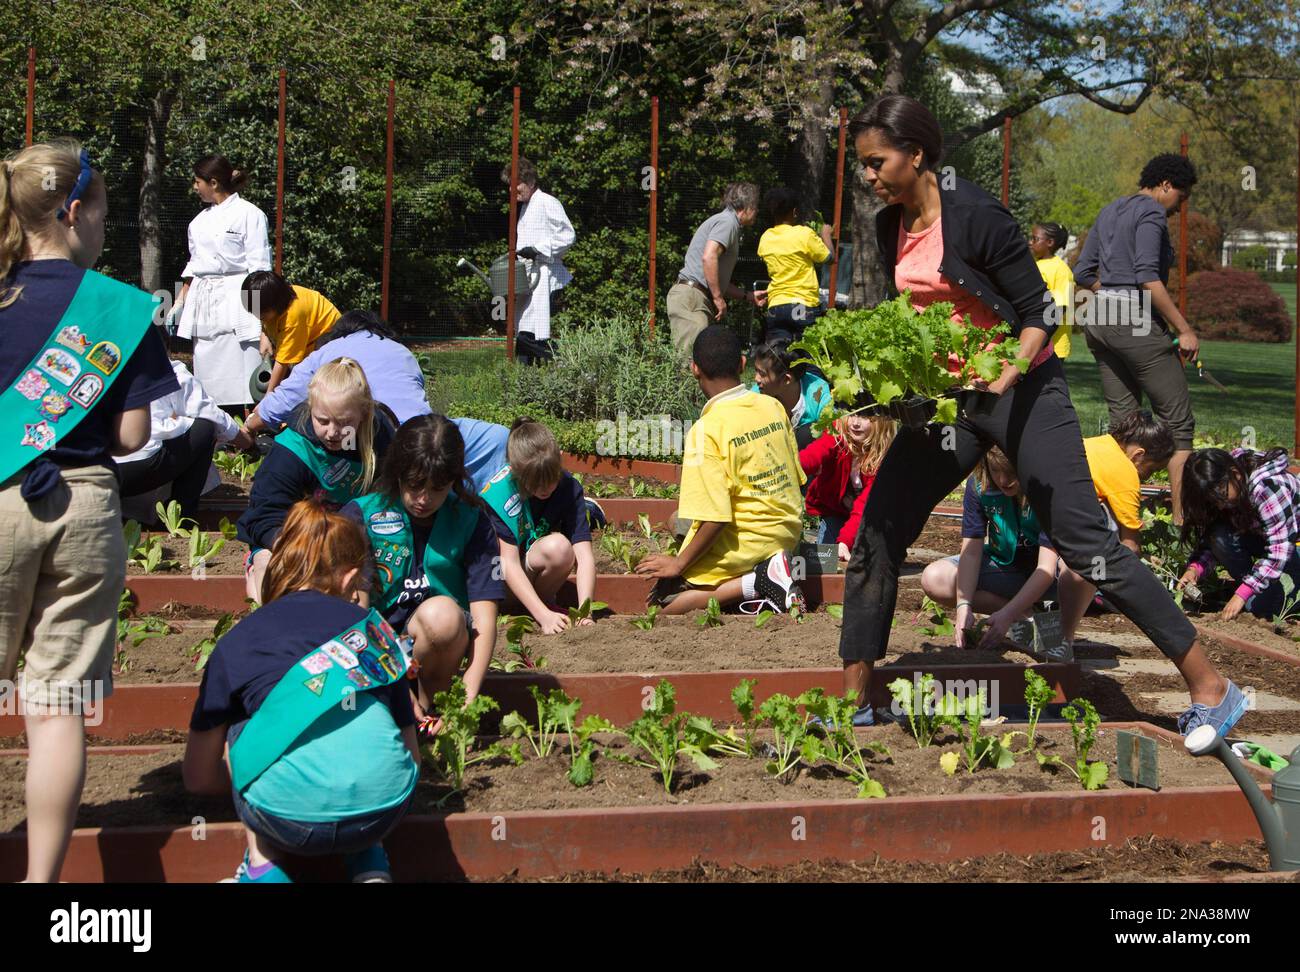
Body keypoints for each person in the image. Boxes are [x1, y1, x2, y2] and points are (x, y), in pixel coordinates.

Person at [837, 95, 1242, 736]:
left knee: (1088, 544)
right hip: (956, 404)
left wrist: (1007, 370)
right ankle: (853, 699)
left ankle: (1211, 686)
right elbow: (915, 318)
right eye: (862, 164)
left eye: (876, 162)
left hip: (1025, 393)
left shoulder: (978, 217)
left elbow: (1039, 312)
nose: (868, 175)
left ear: (915, 155)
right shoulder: (891, 224)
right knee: (880, 529)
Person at [0, 139, 179, 882]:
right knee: (58, 707)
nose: (105, 226)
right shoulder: (121, 309)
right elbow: (135, 437)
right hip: (87, 507)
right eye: (103, 211)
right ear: (75, 212)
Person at [184, 499, 419, 883]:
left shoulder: (238, 640)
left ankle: (264, 869)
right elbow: (412, 756)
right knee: (354, 715)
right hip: (383, 811)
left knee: (243, 725)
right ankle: (367, 861)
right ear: (349, 579)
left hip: (284, 818)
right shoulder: (375, 634)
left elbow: (197, 777)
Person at [343, 415, 503, 735]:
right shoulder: (360, 515)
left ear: (454, 481)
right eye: (414, 485)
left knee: (442, 616)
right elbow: (352, 615)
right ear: (397, 472)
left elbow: (485, 618)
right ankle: (397, 706)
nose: (423, 499)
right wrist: (396, 687)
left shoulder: (472, 520)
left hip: (438, 648)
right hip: (374, 652)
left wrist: (466, 702)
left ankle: (430, 710)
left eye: (437, 489)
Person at [634, 325, 807, 616]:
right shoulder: (773, 407)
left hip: (752, 547)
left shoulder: (706, 431)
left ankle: (758, 581)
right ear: (742, 364)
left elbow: (716, 519)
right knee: (679, 521)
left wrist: (678, 564)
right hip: (788, 535)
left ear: (694, 369)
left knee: (664, 604)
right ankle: (768, 573)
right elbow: (797, 478)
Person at [1074, 153, 1200, 522]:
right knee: (1178, 425)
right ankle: (1182, 523)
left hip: (1096, 318)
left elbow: (1083, 271)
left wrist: (1111, 295)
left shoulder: (1110, 209)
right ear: (1165, 185)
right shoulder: (1151, 213)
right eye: (1182, 195)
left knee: (1125, 425)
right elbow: (1148, 277)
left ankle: (1116, 516)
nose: (1179, 208)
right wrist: (1184, 329)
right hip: (1132, 321)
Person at [237, 358, 394, 602]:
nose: (332, 432)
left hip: (358, 536)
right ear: (310, 409)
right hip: (294, 537)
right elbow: (264, 515)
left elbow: (392, 491)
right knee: (277, 583)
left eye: (343, 423)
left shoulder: (379, 433)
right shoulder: (290, 450)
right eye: (322, 421)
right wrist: (304, 549)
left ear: (363, 414)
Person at [920, 447, 1061, 652]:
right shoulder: (979, 484)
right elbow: (971, 551)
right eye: (996, 470)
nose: (1004, 480)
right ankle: (1028, 618)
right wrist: (963, 606)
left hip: (1053, 578)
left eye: (1012, 472)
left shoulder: (1047, 487)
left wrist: (1008, 614)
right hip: (1006, 568)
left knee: (1076, 567)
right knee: (934, 577)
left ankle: (1062, 635)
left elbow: (1046, 569)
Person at [1057, 410, 1176, 650]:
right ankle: (1065, 636)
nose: (1146, 477)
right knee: (1107, 537)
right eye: (1150, 471)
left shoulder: (1098, 443)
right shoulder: (1125, 472)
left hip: (1048, 517)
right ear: (1139, 455)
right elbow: (1130, 545)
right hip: (1072, 534)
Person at [480, 419, 597, 635]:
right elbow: (507, 562)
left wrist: (585, 612)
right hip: (495, 575)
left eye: (550, 480)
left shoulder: (569, 488)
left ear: (560, 461)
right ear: (515, 471)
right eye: (534, 482)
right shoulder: (500, 494)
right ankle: (531, 609)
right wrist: (543, 616)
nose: (544, 489)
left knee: (560, 548)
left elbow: (584, 555)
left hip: (524, 565)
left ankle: (534, 605)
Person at [172, 155, 271, 408]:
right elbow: (194, 268)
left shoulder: (251, 214)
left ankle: (250, 430)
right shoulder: (198, 223)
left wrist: (263, 323)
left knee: (246, 372)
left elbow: (259, 268)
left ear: (213, 183)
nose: (195, 187)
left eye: (197, 181)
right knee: (207, 373)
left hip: (240, 300)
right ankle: (215, 431)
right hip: (204, 304)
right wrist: (179, 304)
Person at [245, 310, 427, 436]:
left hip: (363, 443)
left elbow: (283, 401)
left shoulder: (328, 351)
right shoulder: (404, 352)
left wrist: (249, 428)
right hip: (419, 436)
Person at [115, 358, 256, 522]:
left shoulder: (105, 366)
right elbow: (211, 414)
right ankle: (181, 515)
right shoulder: (167, 368)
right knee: (205, 427)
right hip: (142, 466)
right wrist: (247, 442)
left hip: (98, 468)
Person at [1177, 447, 1300, 623]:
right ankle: (1258, 587)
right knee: (1219, 535)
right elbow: (1215, 538)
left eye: (1219, 497)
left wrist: (1242, 594)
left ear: (1236, 474)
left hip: (1291, 548)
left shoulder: (1269, 488)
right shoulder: (1230, 486)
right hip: (1270, 544)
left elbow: (1279, 551)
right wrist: (1195, 569)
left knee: (1259, 608)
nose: (1219, 505)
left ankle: (1258, 591)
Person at [666, 182, 766, 361]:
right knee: (688, 362)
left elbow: (716, 281)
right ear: (748, 206)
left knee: (700, 362)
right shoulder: (728, 223)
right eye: (756, 207)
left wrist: (748, 296)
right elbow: (709, 257)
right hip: (692, 298)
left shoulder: (727, 223)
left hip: (695, 296)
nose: (757, 212)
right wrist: (718, 299)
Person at [502, 157, 575, 365]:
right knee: (525, 329)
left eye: (516, 185)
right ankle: (528, 379)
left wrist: (537, 250)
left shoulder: (547, 202)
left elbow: (568, 235)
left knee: (531, 332)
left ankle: (568, 360)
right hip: (529, 277)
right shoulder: (526, 207)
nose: (512, 190)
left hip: (545, 275)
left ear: (530, 182)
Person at [800, 412, 895, 563]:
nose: (855, 423)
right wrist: (794, 467)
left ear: (882, 422)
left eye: (865, 417)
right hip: (836, 511)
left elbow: (865, 506)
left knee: (866, 561)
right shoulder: (837, 434)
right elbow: (815, 453)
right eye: (852, 416)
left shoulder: (884, 460)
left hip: (872, 519)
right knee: (827, 559)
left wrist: (844, 542)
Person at [241, 271, 341, 396]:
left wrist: (268, 398)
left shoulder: (293, 317)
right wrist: (264, 335)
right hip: (307, 342)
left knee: (316, 389)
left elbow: (283, 362)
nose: (259, 317)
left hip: (329, 342)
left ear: (275, 304)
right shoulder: (277, 298)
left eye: (262, 314)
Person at [756, 186, 834, 344]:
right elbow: (829, 258)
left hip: (776, 306)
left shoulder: (766, 238)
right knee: (809, 356)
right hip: (803, 305)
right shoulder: (804, 233)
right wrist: (825, 235)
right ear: (794, 212)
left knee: (778, 359)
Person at [750, 338, 832, 450]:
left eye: (762, 374)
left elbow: (832, 434)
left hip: (808, 458)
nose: (756, 379)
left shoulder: (818, 392)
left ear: (786, 379)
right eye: (756, 371)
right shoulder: (755, 396)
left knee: (808, 432)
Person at [1029, 221, 1074, 359]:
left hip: (1053, 347)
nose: (1030, 242)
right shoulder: (1036, 264)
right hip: (1033, 343)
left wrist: (1041, 337)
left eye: (1035, 239)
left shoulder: (1061, 270)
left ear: (1049, 242)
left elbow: (1061, 308)